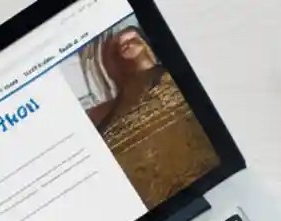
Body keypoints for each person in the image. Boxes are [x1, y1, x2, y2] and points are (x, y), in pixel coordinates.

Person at [83, 25, 219, 208]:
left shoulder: (175, 74)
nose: (127, 45)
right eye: (122, 46)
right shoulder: (113, 106)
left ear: (147, 45)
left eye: (133, 40)